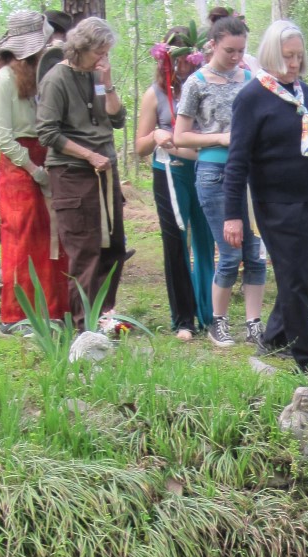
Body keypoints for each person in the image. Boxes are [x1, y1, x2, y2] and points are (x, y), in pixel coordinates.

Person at [223, 19, 308, 371]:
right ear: (271, 55)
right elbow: (236, 161)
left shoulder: (304, 93)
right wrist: (232, 215)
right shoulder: (252, 98)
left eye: (299, 56)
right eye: (287, 56)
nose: (294, 63)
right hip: (276, 203)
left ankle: (276, 336)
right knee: (294, 277)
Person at [173, 14, 265, 350]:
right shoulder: (196, 83)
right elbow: (180, 137)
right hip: (214, 174)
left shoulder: (251, 79)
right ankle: (219, 322)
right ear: (213, 45)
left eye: (241, 50)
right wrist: (220, 138)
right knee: (229, 252)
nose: (236, 57)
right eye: (229, 50)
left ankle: (255, 324)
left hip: (252, 176)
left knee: (255, 253)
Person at [35, 16, 127, 331]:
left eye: (107, 52)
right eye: (98, 52)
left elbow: (117, 120)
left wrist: (109, 81)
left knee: (113, 247)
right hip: (73, 174)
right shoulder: (56, 79)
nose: (103, 58)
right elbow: (47, 133)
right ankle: (83, 326)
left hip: (106, 171)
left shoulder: (98, 76)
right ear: (80, 48)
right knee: (85, 252)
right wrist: (89, 155)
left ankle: (105, 317)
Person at [134, 27, 213, 341]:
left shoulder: (205, 86)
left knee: (206, 241)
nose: (182, 67)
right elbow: (140, 145)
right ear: (165, 58)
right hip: (169, 172)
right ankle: (183, 319)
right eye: (175, 59)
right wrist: (155, 135)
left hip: (205, 171)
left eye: (187, 59)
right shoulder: (154, 93)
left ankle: (210, 314)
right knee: (175, 242)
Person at [0, 9, 68, 331]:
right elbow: (1, 134)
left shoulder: (41, 75)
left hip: (44, 157)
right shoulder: (3, 80)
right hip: (18, 166)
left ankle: (51, 309)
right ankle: (16, 315)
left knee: (51, 236)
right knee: (22, 237)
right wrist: (32, 168)